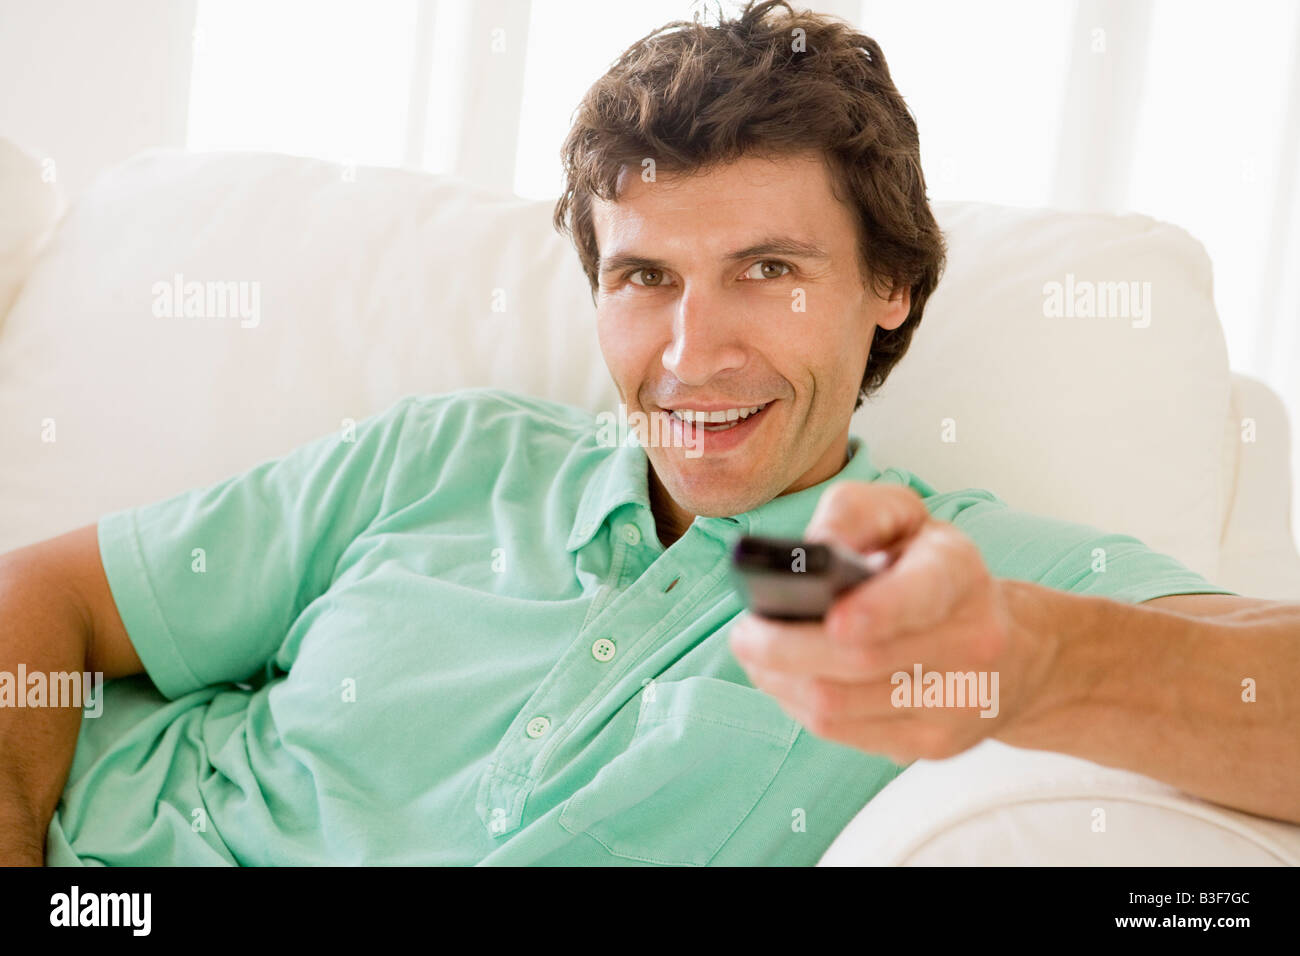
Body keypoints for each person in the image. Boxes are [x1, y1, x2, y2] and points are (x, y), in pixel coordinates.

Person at [1, 0, 1295, 867]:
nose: (692, 356)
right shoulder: (450, 460)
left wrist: (1037, 662)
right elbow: (45, 599)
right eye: (646, 278)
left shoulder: (928, 584)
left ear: (891, 284)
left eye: (768, 269)